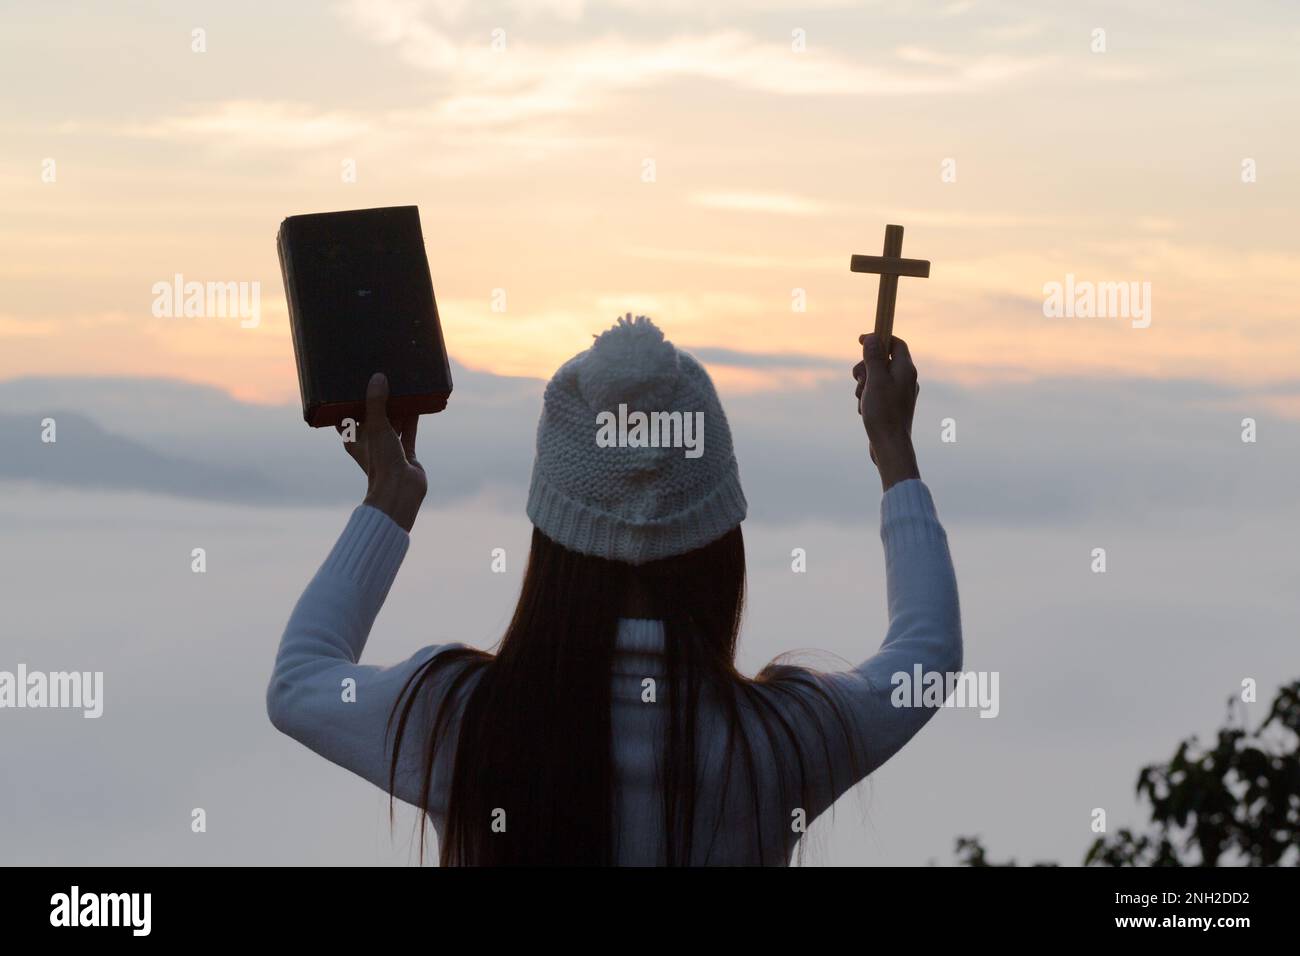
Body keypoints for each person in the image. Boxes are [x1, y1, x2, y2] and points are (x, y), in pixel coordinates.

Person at [267, 314, 961, 865]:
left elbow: (298, 686)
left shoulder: (463, 722)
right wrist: (893, 448)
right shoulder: (773, 746)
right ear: (721, 547)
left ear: (551, 544)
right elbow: (927, 658)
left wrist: (389, 499)